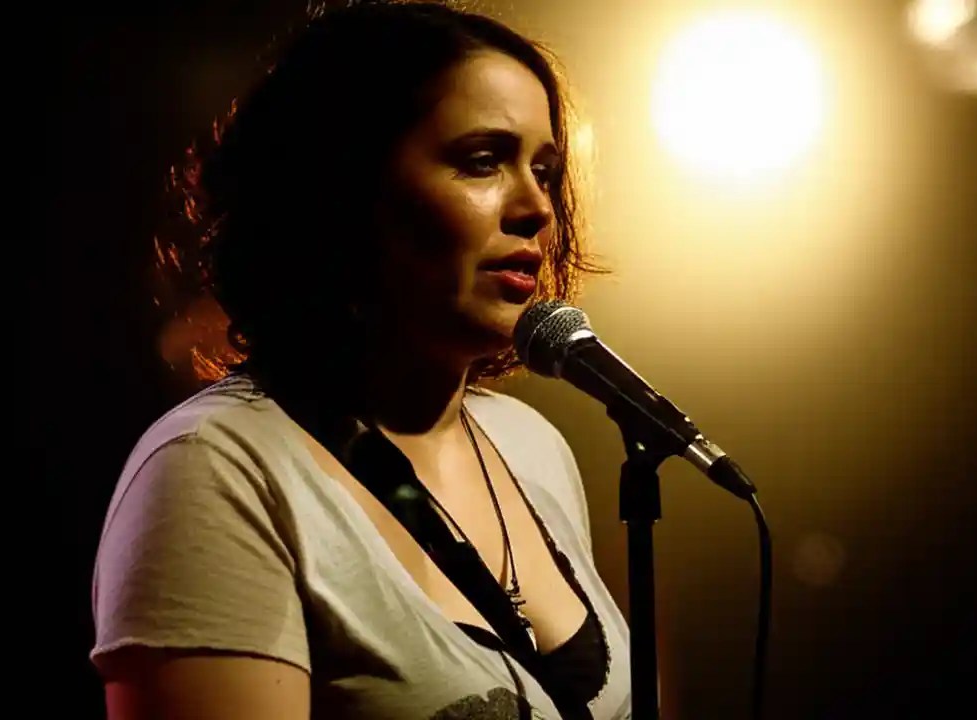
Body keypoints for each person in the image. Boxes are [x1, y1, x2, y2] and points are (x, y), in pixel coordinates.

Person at [90, 2, 630, 718]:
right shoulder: (213, 469)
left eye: (546, 168)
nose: (536, 206)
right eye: (481, 161)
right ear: (345, 191)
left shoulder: (532, 448)